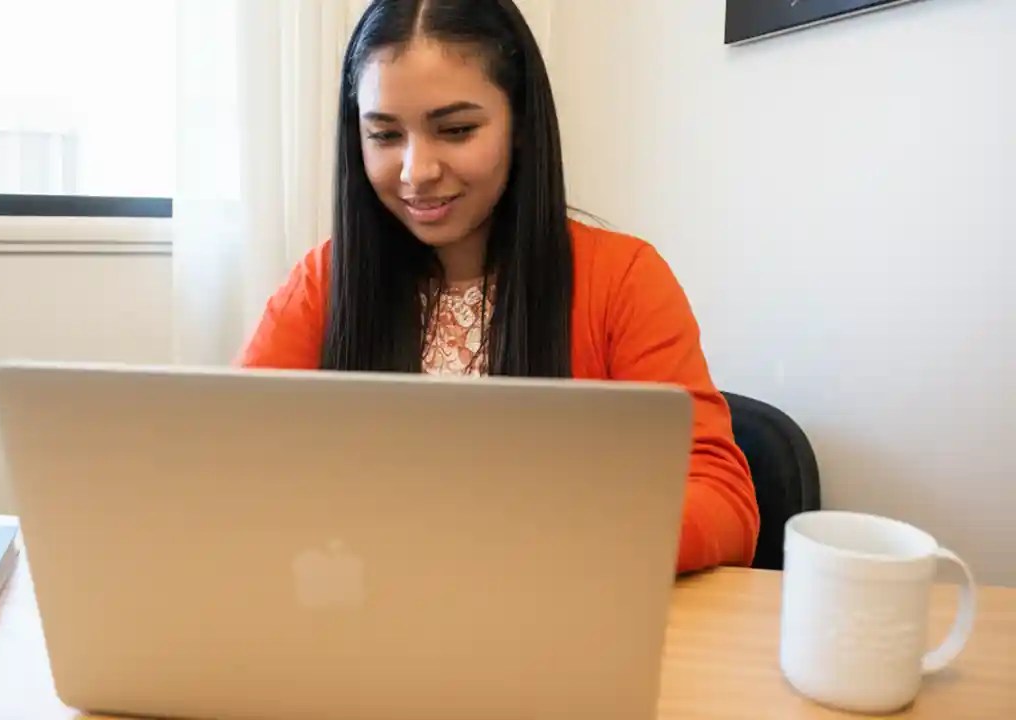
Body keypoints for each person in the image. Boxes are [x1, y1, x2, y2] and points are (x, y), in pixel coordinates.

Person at [238, 0, 759, 574]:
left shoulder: (622, 279)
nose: (416, 171)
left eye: (456, 130)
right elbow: (230, 461)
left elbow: (721, 498)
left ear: (520, 124)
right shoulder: (324, 281)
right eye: (384, 135)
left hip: (552, 618)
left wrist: (557, 537)